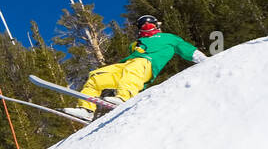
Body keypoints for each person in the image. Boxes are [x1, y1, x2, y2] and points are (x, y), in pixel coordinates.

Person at [63, 15, 207, 119]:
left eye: (150, 24)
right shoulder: (136, 43)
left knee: (135, 67)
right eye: (143, 25)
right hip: (126, 66)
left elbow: (186, 49)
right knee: (97, 75)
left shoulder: (168, 37)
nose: (147, 26)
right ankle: (86, 109)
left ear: (156, 25)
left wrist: (205, 60)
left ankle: (124, 97)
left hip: (146, 65)